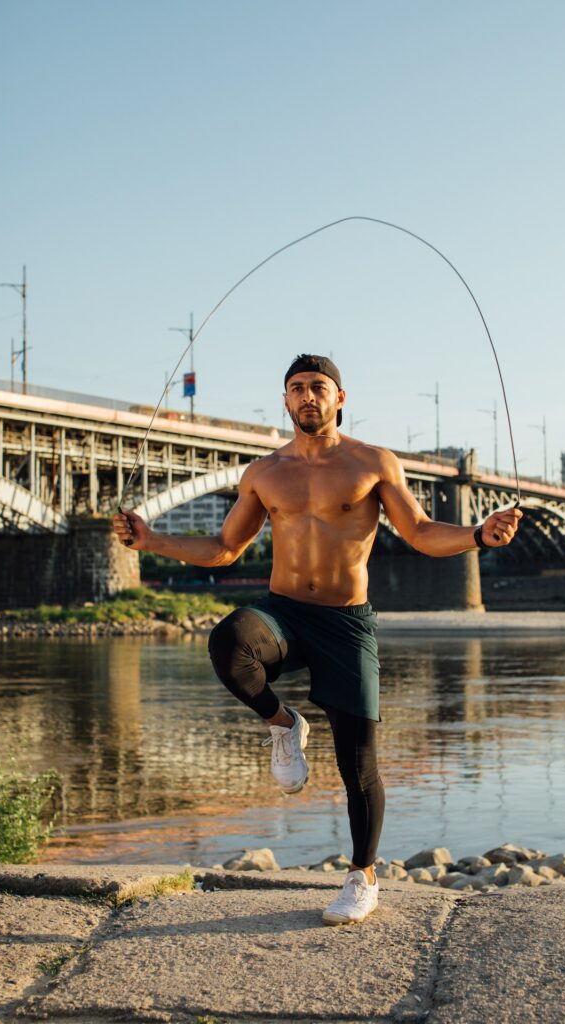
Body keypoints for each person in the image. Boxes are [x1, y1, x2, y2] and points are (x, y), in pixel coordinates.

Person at [113, 353, 522, 925]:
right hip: (284, 613)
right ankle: (285, 726)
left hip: (346, 622)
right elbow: (225, 549)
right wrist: (152, 540)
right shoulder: (263, 473)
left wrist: (478, 534)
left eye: (318, 388)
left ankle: (363, 876)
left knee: (359, 764)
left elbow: (421, 533)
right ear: (285, 400)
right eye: (297, 388)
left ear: (340, 398)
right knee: (229, 642)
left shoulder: (373, 463)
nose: (308, 396)